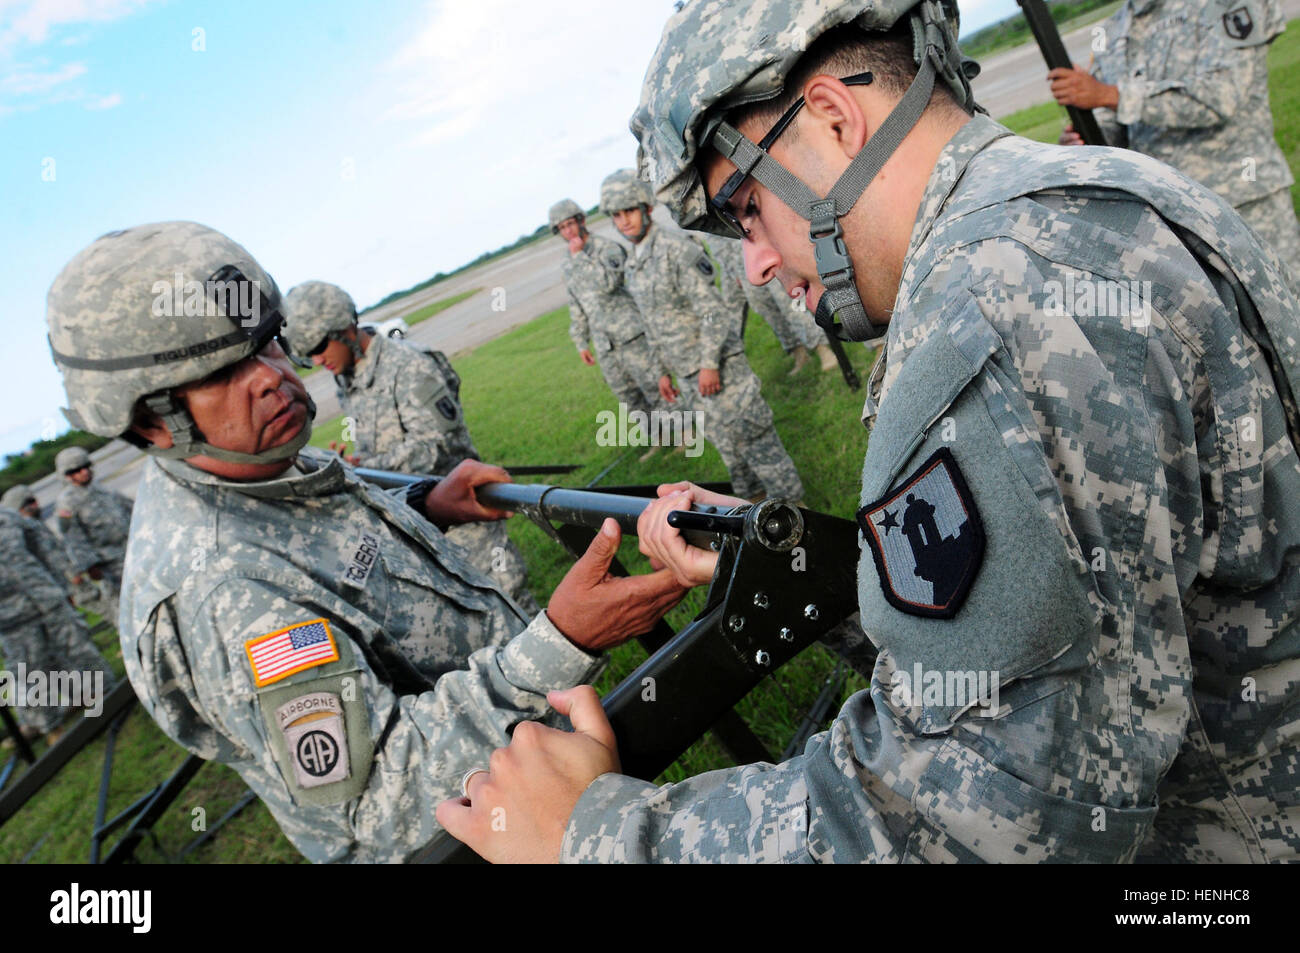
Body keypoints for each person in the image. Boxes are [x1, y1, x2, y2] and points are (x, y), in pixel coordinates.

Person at [438, 0, 1300, 863]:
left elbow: (970, 823)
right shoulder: (1080, 203)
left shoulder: (990, 313)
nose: (758, 264)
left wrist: (588, 835)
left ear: (833, 118)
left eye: (745, 211)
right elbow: (1088, 618)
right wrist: (794, 566)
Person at [45, 221, 687, 862]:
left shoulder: (259, 464)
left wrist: (426, 502)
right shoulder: (225, 588)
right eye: (221, 372)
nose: (271, 376)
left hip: (527, 790)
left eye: (266, 345)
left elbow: (332, 536)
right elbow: (385, 794)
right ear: (152, 420)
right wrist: (564, 640)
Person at [282, 280, 540, 615]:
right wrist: (361, 462)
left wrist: (363, 473)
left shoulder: (410, 365)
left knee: (511, 608)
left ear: (344, 326)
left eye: (319, 346)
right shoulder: (348, 378)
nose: (317, 360)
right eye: (307, 355)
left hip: (464, 517)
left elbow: (435, 445)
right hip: (414, 519)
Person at [1048, 0, 1300, 281]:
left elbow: (1221, 97)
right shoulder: (1113, 31)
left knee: (1288, 304)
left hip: (1244, 202)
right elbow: (1114, 127)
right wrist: (1081, 141)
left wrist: (1111, 95)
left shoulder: (1224, 5)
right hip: (1172, 219)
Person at [599, 168, 804, 503]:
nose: (624, 221)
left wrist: (709, 363)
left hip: (720, 368)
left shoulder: (675, 249)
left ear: (646, 208)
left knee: (756, 441)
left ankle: (797, 511)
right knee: (729, 452)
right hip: (688, 376)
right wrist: (662, 371)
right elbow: (652, 323)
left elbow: (712, 311)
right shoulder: (634, 264)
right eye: (616, 215)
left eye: (629, 211)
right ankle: (752, 514)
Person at [550, 198, 667, 460]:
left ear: (581, 221)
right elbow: (576, 303)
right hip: (605, 344)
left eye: (570, 223)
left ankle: (683, 434)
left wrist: (581, 257)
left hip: (630, 333)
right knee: (629, 396)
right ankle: (658, 439)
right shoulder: (567, 261)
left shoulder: (606, 249)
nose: (567, 231)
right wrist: (581, 341)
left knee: (654, 386)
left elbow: (607, 284)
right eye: (561, 228)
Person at [0, 496, 115, 743]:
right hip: (11, 617)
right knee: (29, 669)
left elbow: (43, 546)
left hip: (47, 597)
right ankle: (50, 727)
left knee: (77, 647)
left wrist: (61, 582)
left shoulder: (8, 519)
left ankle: (107, 695)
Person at [709, 235, 838, 375]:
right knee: (767, 310)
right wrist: (732, 272)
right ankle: (798, 352)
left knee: (789, 306)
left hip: (764, 255)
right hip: (741, 268)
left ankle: (822, 348)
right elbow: (715, 241)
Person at [52, 445, 133, 627]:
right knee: (122, 607)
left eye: (86, 466)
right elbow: (72, 538)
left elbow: (129, 510)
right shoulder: (67, 502)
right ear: (67, 474)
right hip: (108, 562)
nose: (84, 472)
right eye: (77, 470)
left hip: (130, 551)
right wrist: (90, 566)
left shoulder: (102, 490)